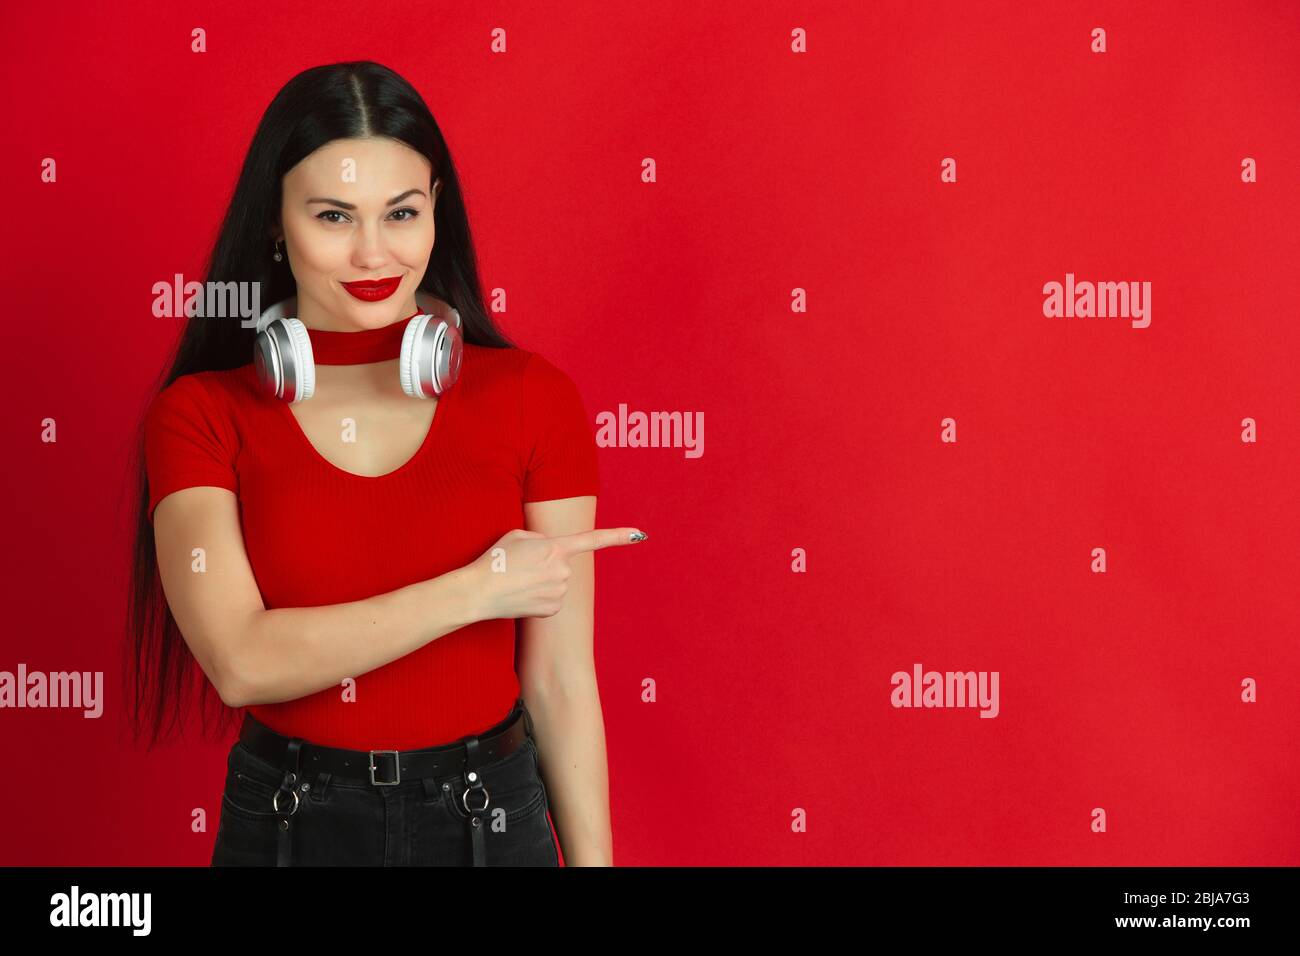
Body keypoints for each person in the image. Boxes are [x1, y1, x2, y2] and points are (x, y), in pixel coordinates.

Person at [123, 60, 646, 866]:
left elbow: (561, 683)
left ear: (436, 210)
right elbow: (243, 662)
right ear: (275, 222)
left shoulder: (533, 398)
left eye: (400, 213)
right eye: (334, 216)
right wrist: (478, 590)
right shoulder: (200, 415)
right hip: (289, 820)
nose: (373, 253)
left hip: (488, 816)